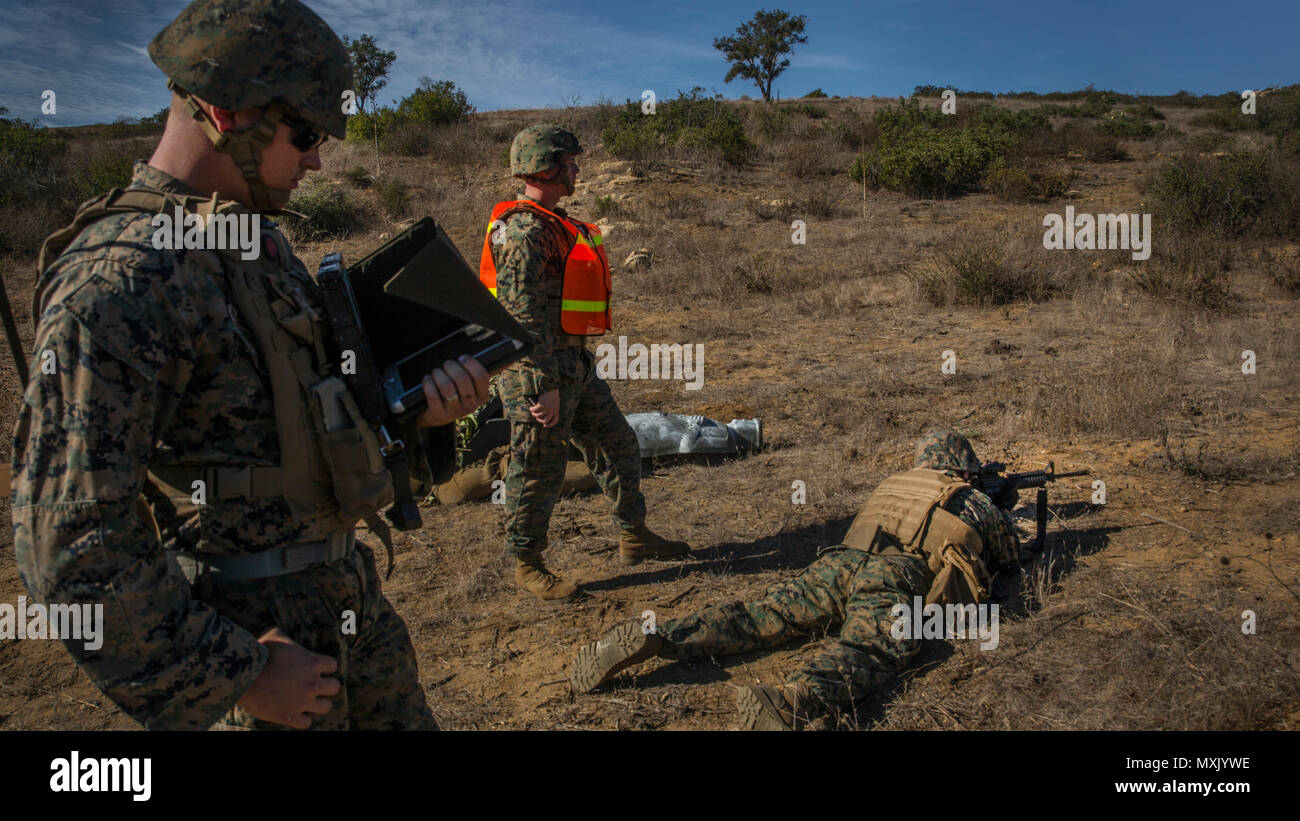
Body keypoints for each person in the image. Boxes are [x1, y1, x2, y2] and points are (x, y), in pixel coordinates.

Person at [10, 0, 489, 730]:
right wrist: (235, 672)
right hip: (258, 652)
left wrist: (422, 414)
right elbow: (72, 544)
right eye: (304, 133)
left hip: (347, 615)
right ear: (227, 110)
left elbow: (313, 427)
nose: (317, 158)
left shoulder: (254, 247)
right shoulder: (120, 277)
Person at [568, 431, 1021, 730]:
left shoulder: (893, 483)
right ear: (963, 468)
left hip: (840, 561)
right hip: (896, 573)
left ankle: (658, 636)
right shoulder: (967, 497)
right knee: (873, 647)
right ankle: (793, 697)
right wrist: (1001, 509)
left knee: (765, 614)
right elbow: (1007, 555)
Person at [478, 124, 689, 601]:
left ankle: (635, 535)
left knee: (617, 443)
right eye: (570, 161)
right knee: (538, 466)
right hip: (538, 372)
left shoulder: (552, 221)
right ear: (548, 166)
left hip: (572, 363)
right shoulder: (523, 231)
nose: (577, 168)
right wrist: (542, 385)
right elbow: (521, 314)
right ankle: (527, 563)